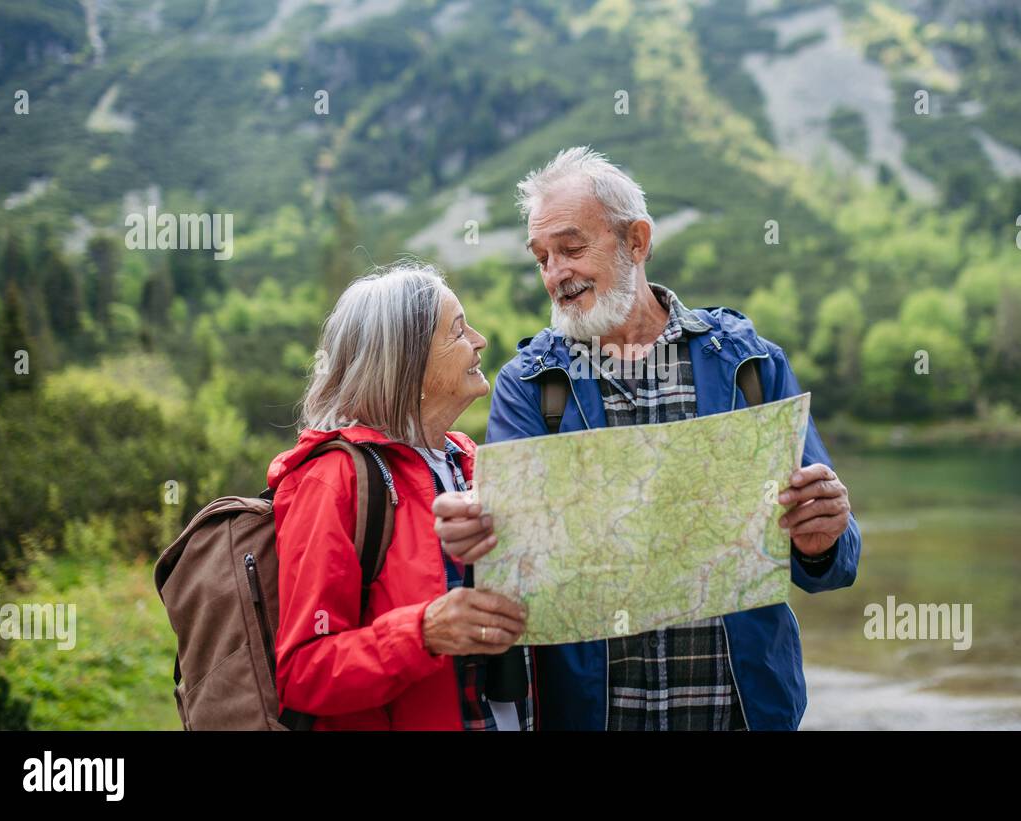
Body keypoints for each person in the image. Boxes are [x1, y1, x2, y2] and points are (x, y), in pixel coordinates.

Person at [434, 147, 861, 730]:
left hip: (741, 715)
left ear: (636, 241)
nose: (555, 273)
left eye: (572, 247)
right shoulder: (528, 387)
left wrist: (823, 535)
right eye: (542, 258)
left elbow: (834, 563)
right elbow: (512, 575)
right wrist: (471, 541)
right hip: (595, 716)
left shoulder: (749, 363)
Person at [267, 264, 532, 730]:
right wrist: (424, 633)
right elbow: (304, 673)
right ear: (406, 361)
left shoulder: (466, 460)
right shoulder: (333, 479)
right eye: (457, 331)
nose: (480, 339)